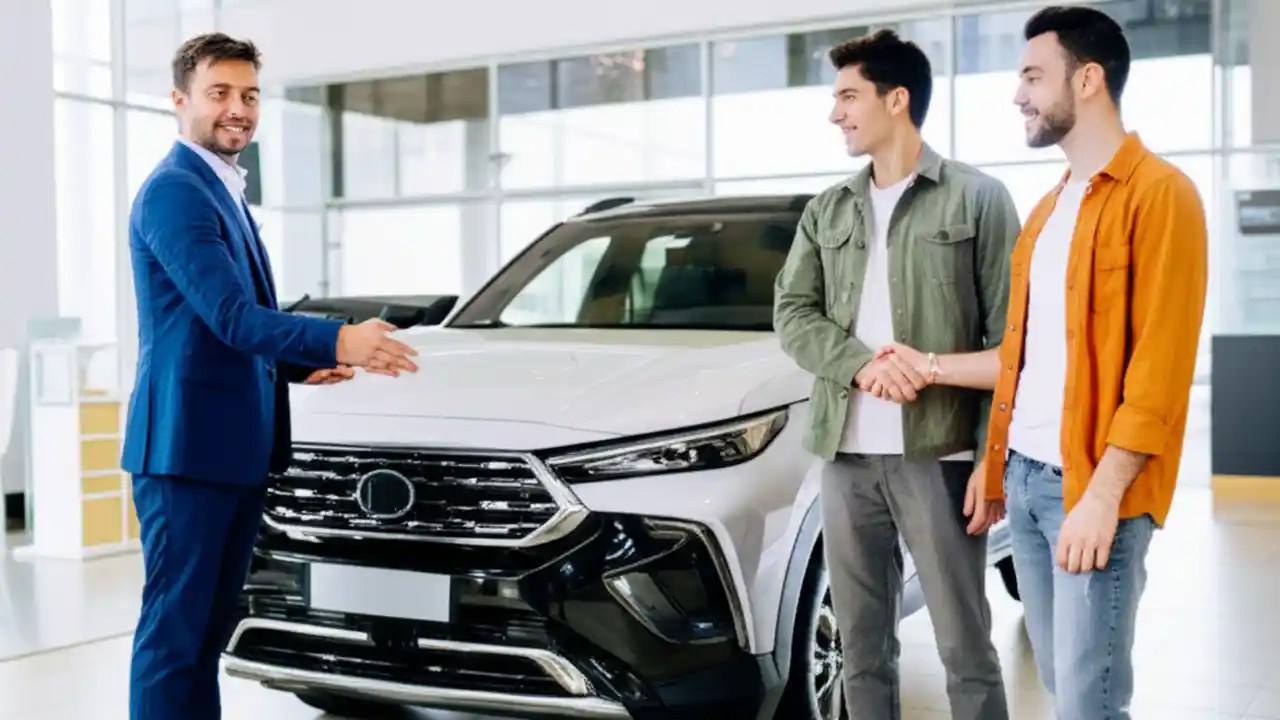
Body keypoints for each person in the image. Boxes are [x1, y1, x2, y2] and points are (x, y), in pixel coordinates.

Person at [888, 7, 1207, 719]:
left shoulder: (1162, 195)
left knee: (1089, 703)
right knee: (1064, 687)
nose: (1018, 94)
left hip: (1093, 490)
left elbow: (1159, 368)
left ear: (1088, 79)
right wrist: (980, 440)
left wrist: (1102, 497)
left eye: (1033, 75)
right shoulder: (1046, 211)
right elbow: (1022, 360)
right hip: (1027, 486)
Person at [121, 33, 419, 720]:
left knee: (204, 633)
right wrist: (341, 336)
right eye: (219, 93)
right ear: (179, 101)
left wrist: (303, 362)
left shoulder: (218, 187)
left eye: (249, 95)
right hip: (184, 452)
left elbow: (227, 324)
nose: (238, 109)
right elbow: (230, 314)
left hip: (226, 449)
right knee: (175, 635)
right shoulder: (177, 192)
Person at [773, 28, 1019, 720]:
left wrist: (987, 460)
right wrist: (860, 368)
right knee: (861, 648)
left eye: (848, 95)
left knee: (964, 647)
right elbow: (793, 314)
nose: (836, 113)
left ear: (897, 99)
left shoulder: (978, 199)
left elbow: (1011, 343)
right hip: (846, 460)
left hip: (940, 456)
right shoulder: (828, 209)